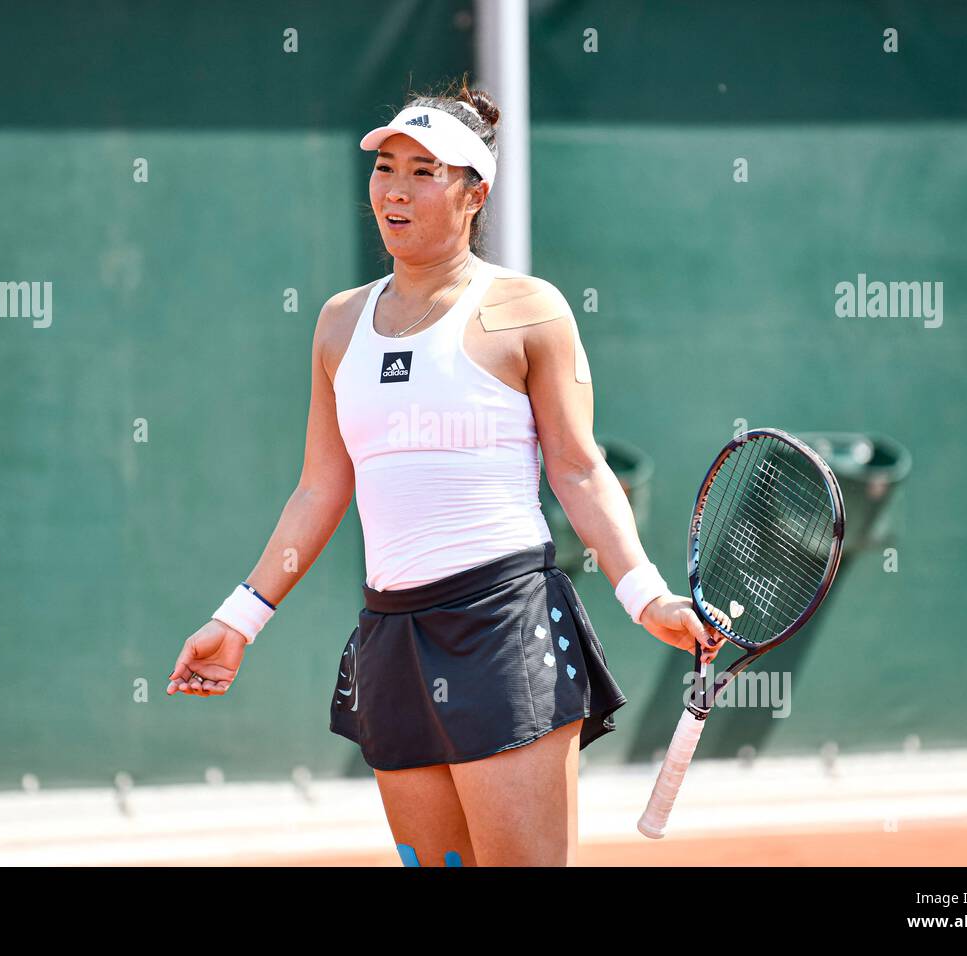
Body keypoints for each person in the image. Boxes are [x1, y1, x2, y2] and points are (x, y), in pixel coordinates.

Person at [167, 78, 726, 866]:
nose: (394, 190)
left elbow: (578, 468)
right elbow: (321, 486)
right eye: (385, 166)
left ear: (474, 193)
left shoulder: (530, 310)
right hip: (391, 637)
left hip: (503, 627)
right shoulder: (337, 323)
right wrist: (239, 620)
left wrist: (646, 595)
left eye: (424, 171)